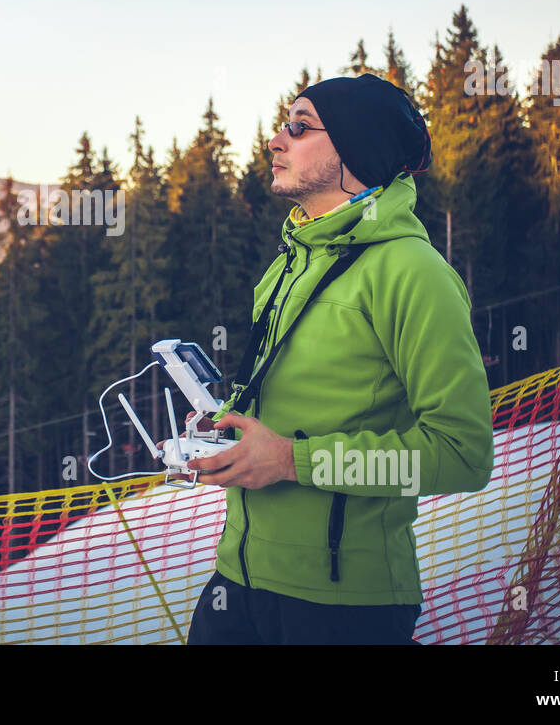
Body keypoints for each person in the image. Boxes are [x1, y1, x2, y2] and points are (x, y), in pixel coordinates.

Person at [185, 73, 494, 644]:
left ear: (355, 152)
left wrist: (290, 461)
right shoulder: (289, 261)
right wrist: (225, 421)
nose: (276, 140)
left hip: (344, 607)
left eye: (299, 128)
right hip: (236, 582)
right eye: (284, 126)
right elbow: (292, 400)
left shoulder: (414, 274)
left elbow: (463, 455)